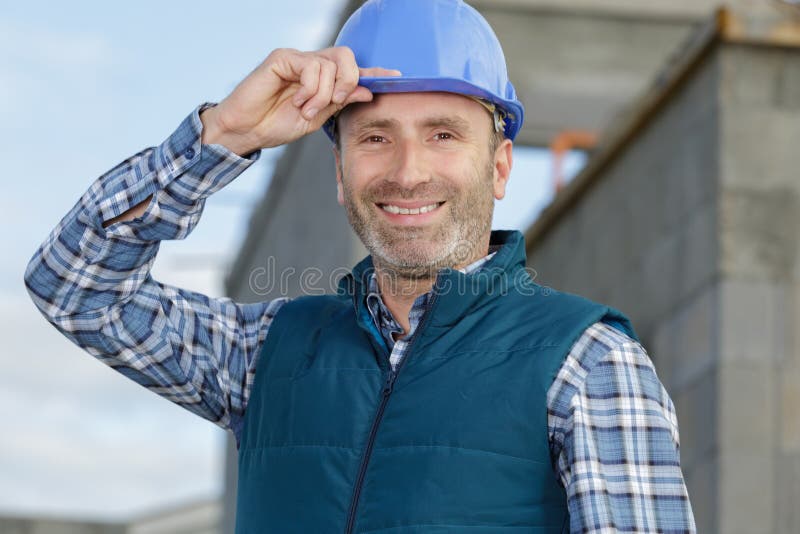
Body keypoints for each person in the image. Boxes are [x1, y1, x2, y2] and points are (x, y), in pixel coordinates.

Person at [24, 0, 696, 532]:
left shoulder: (588, 363)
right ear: (341, 175)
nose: (408, 172)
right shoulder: (266, 353)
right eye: (375, 137)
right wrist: (222, 136)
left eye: (442, 134)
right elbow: (74, 285)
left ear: (498, 166)